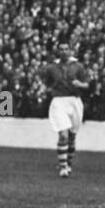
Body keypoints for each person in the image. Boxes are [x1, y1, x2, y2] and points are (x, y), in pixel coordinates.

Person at [38, 42, 90, 177]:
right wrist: (42, 90)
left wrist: (80, 84)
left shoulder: (78, 66)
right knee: (63, 135)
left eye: (66, 49)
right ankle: (63, 167)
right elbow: (46, 83)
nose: (64, 51)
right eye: (61, 49)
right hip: (59, 101)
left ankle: (68, 164)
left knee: (72, 137)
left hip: (74, 101)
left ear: (70, 51)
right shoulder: (52, 68)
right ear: (58, 51)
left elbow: (87, 84)